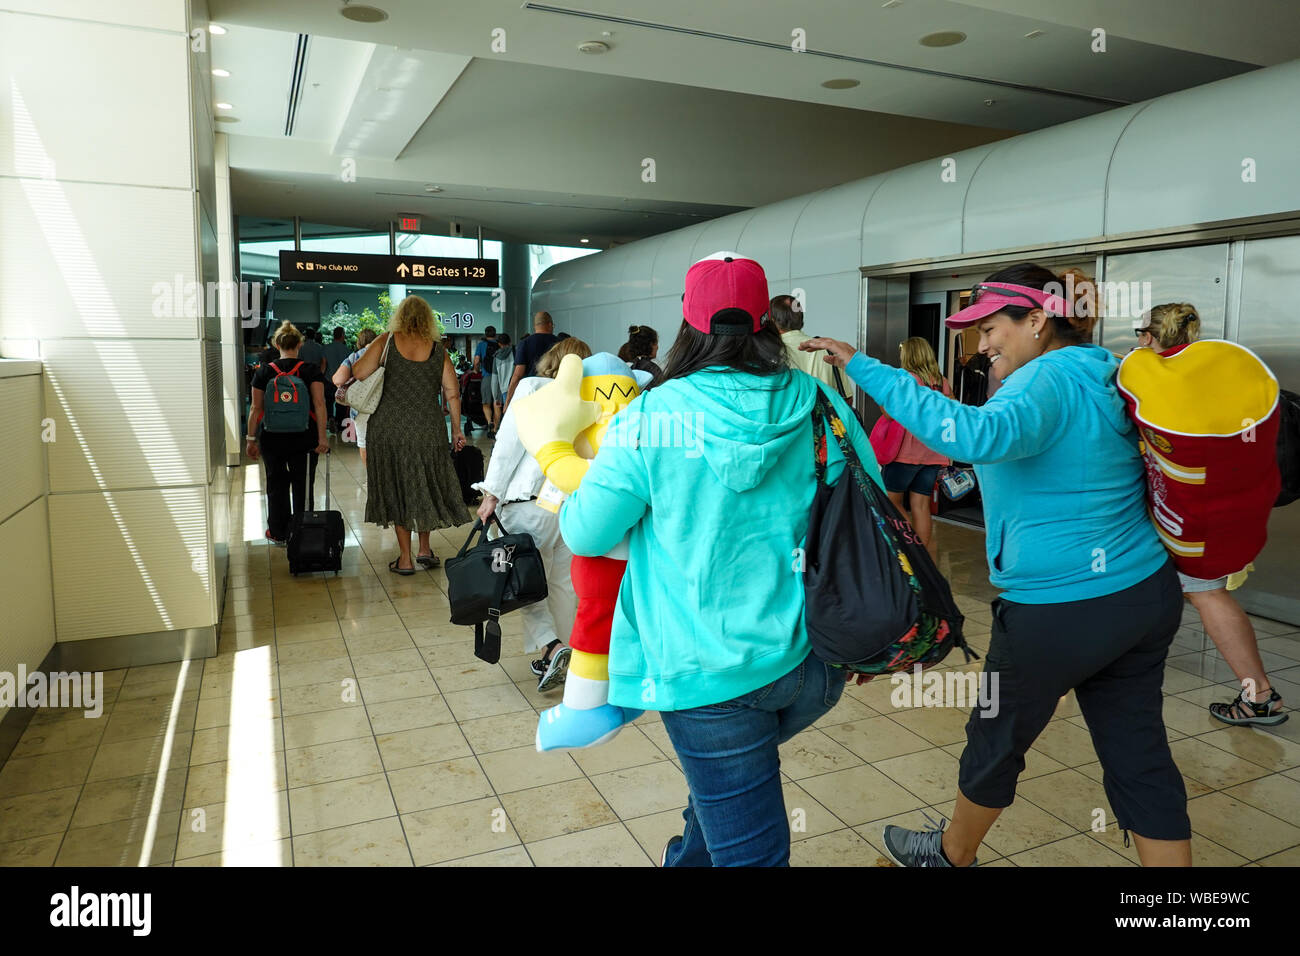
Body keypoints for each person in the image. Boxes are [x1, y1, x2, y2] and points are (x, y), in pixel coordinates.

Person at [803, 262, 1192, 868]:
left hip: (1058, 608)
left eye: (989, 328)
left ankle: (951, 855)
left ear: (1037, 320)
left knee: (995, 736)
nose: (981, 346)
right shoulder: (1105, 371)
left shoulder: (1045, 381)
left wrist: (861, 364)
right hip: (1141, 594)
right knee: (1138, 752)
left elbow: (970, 435)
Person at [522, 252, 874, 866]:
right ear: (766, 321)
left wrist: (556, 452)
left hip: (705, 675)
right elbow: (869, 502)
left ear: (688, 324)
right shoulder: (818, 402)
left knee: (751, 845)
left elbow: (584, 532)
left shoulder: (653, 416)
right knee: (724, 795)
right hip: (815, 659)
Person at [1134, 303, 1286, 726]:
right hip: (1218, 513)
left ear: (1148, 336)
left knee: (1206, 593)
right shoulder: (1217, 371)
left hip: (1185, 517)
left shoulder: (1146, 378)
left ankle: (1259, 695)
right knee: (1199, 591)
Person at [474, 338, 592, 691]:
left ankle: (554, 647)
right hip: (569, 507)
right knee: (562, 586)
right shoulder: (590, 398)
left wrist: (491, 493)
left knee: (524, 584)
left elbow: (508, 443)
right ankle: (567, 655)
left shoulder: (532, 387)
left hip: (527, 505)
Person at [350, 296, 467, 574]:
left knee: (397, 486)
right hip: (428, 429)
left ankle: (404, 559)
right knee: (424, 484)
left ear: (399, 317)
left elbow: (359, 371)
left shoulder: (386, 341)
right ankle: (424, 549)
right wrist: (458, 429)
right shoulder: (439, 351)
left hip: (389, 429)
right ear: (428, 319)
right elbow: (452, 393)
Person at [245, 321, 329, 545]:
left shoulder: (264, 371)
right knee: (303, 484)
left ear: (276, 343)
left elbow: (256, 408)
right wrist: (322, 437)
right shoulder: (309, 370)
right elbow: (319, 404)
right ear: (299, 344)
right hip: (305, 437)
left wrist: (251, 439)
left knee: (276, 484)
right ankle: (302, 530)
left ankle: (278, 532)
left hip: (272, 439)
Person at [878, 337, 952, 558]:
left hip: (906, 452)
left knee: (892, 501)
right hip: (933, 452)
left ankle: (909, 547)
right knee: (921, 505)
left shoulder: (906, 379)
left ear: (909, 356)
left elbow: (889, 413)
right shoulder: (941, 381)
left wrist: (882, 398)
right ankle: (922, 555)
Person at [770, 293, 854, 404]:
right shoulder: (828, 349)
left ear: (771, 320)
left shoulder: (769, 352)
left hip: (788, 420)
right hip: (825, 420)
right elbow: (847, 398)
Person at [332, 328, 378, 465]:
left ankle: (372, 479)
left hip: (362, 407)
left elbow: (338, 379)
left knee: (364, 444)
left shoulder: (355, 357)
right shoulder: (386, 354)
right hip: (385, 406)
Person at [506, 311, 559, 407]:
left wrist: (508, 401)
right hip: (554, 393)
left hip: (531, 393)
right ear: (550, 324)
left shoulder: (524, 343)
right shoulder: (560, 343)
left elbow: (517, 375)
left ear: (535, 326)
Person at [323, 326, 353, 433]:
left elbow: (323, 364)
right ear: (342, 335)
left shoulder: (326, 348)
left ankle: (330, 418)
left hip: (328, 379)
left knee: (329, 401)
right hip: (342, 381)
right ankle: (340, 425)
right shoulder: (347, 350)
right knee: (341, 403)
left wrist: (321, 377)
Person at [473, 326, 500, 434]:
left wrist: (476, 370)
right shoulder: (499, 344)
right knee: (497, 402)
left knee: (486, 403)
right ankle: (496, 428)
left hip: (487, 376)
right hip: (499, 378)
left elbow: (476, 360)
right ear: (495, 333)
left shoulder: (481, 345)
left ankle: (489, 422)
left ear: (485, 334)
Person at [489, 332, 512, 429]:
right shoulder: (515, 351)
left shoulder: (496, 357)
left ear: (499, 344)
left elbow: (494, 380)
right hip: (517, 387)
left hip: (504, 390)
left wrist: (495, 397)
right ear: (510, 342)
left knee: (507, 414)